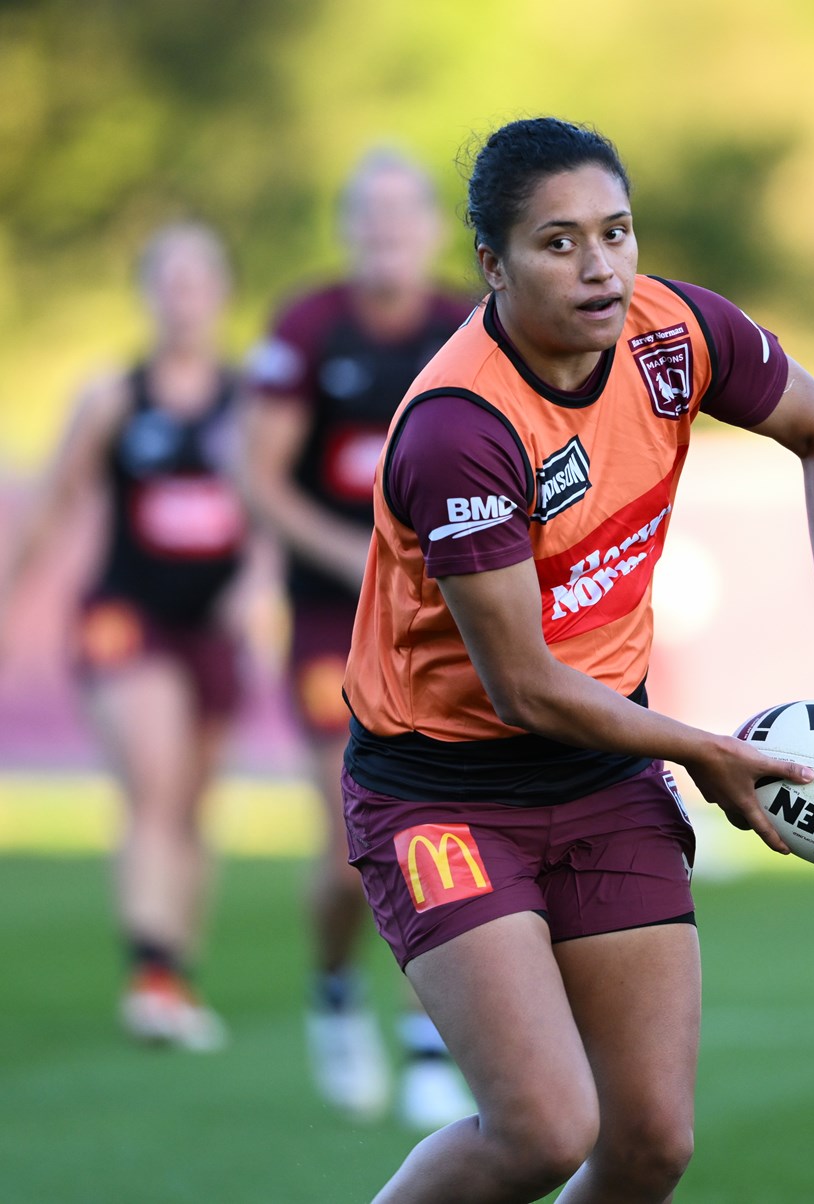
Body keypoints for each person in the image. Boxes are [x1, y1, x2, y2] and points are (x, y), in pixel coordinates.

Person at [340, 115, 814, 1204]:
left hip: (605, 774)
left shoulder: (674, 333)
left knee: (651, 1143)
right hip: (446, 797)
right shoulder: (460, 426)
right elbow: (524, 686)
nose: (601, 265)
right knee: (542, 1129)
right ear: (493, 263)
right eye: (558, 242)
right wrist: (707, 751)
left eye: (615, 232)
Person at [241, 148, 474, 1124]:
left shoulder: (465, 323)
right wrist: (348, 549)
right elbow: (259, 474)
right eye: (366, 215)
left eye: (401, 214)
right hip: (332, 616)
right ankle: (334, 987)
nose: (385, 232)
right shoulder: (308, 326)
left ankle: (431, 1035)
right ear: (345, 228)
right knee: (349, 839)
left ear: (430, 228)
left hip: (440, 611)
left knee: (446, 816)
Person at [0, 222, 247, 1050]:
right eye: (168, 281)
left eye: (198, 281)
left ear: (221, 293)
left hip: (210, 627)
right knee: (155, 781)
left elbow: (269, 514)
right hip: (125, 615)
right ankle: (152, 973)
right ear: (148, 293)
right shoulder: (114, 398)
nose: (183, 298)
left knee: (193, 804)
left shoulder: (250, 402)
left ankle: (175, 968)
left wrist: (260, 593)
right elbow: (55, 501)